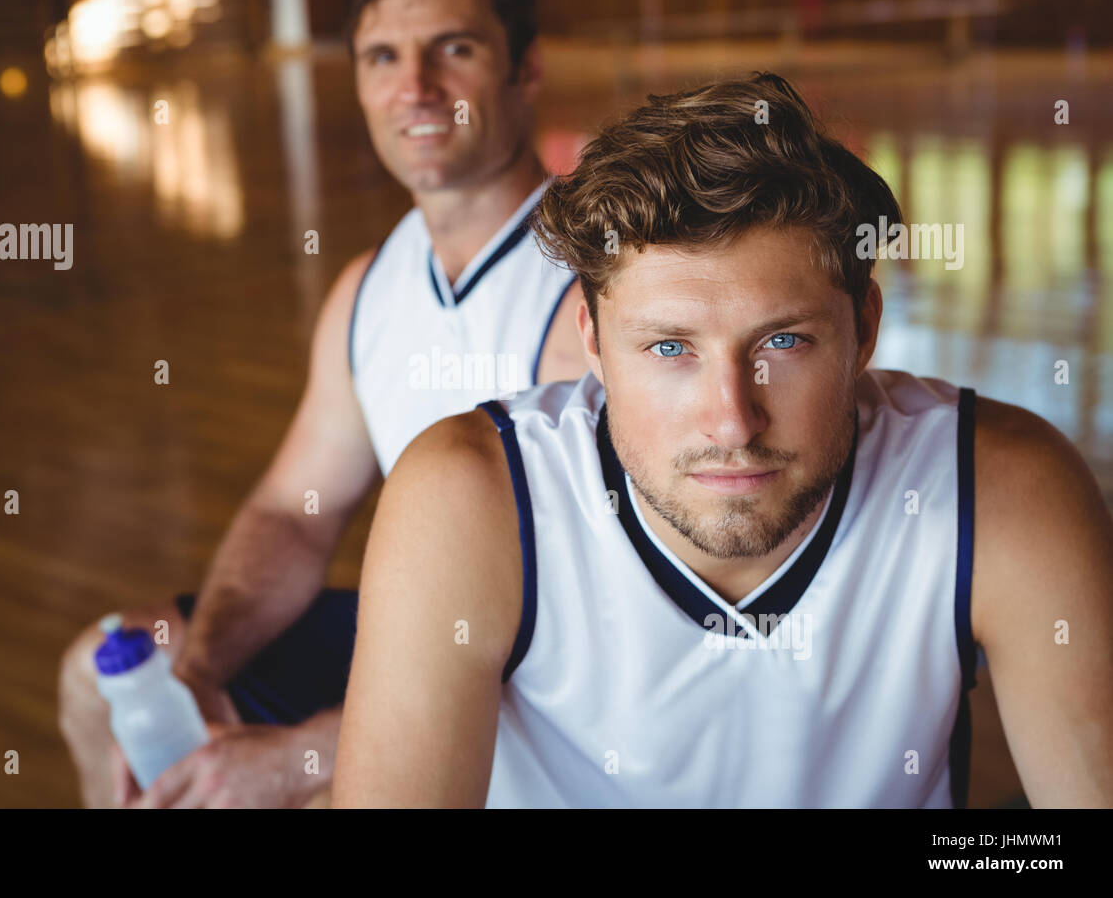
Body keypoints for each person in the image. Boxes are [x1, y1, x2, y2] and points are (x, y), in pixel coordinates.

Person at [333, 73, 1113, 807]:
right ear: (593, 342)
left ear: (866, 328)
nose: (734, 420)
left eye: (784, 344)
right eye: (670, 349)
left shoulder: (999, 488)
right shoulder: (473, 498)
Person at [58, 0, 584, 808]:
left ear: (524, 69)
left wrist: (304, 750)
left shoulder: (587, 294)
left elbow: (575, 633)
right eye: (382, 57)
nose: (412, 88)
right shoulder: (366, 291)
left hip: (540, 680)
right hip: (421, 636)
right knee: (105, 676)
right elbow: (290, 518)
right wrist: (193, 674)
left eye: (452, 49)